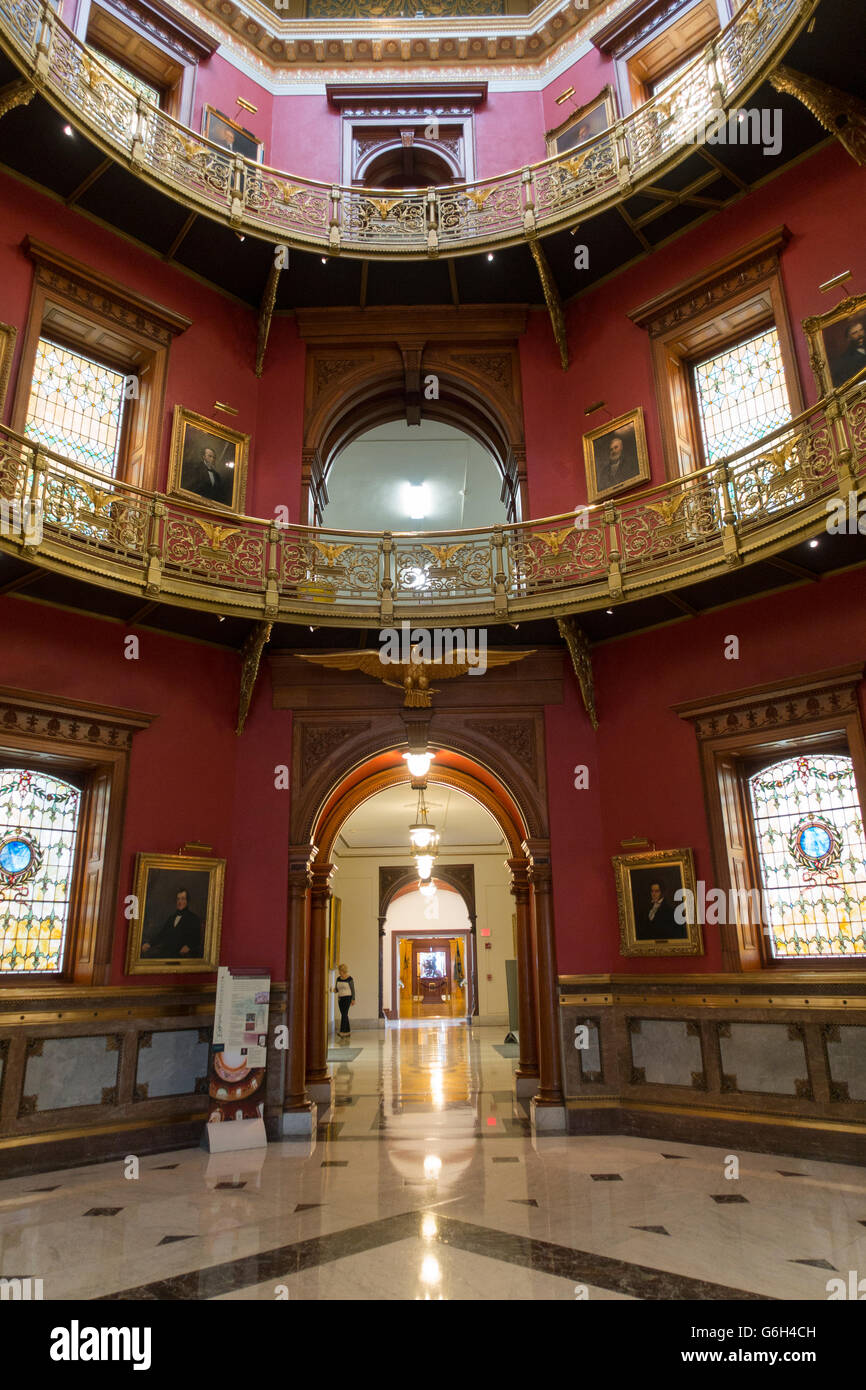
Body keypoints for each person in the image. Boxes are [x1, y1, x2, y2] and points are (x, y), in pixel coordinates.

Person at [142, 887, 203, 957]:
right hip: (167, 951)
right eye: (178, 899)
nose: (180, 902)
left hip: (181, 955)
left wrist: (189, 946)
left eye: (183, 899)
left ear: (187, 901)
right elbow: (162, 934)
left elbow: (197, 938)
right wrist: (149, 944)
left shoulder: (193, 918)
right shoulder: (172, 917)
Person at [595, 431, 638, 496]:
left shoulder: (630, 464)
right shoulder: (604, 470)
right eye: (611, 449)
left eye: (616, 447)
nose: (613, 451)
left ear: (622, 448)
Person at [830, 319, 866, 387]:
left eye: (861, 330)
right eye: (855, 333)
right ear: (848, 338)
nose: (860, 334)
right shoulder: (846, 359)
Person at [334, 963, 355, 1037]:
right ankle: (348, 1031)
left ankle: (342, 1032)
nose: (339, 972)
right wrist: (333, 990)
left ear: (344, 971)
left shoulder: (350, 979)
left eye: (340, 971)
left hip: (347, 998)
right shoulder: (338, 979)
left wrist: (353, 999)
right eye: (339, 971)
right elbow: (336, 989)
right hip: (340, 998)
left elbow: (353, 990)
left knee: (344, 1014)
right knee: (344, 1014)